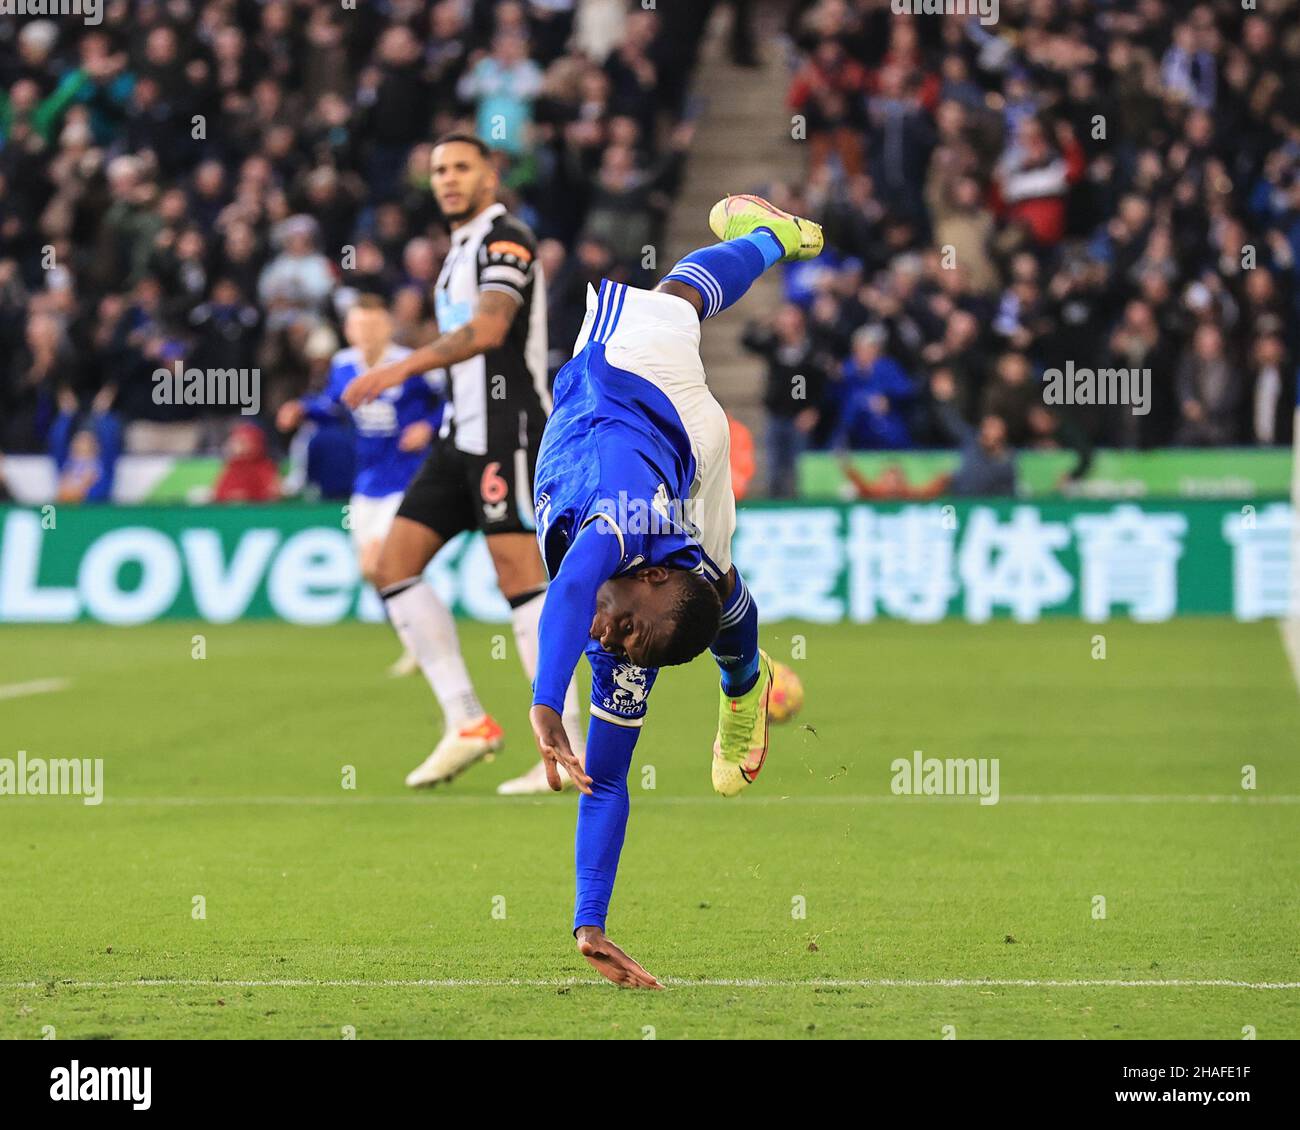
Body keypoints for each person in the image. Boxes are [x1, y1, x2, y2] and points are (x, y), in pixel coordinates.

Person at [524, 194, 823, 988]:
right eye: (626, 633)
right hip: (638, 388)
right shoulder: (615, 531)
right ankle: (772, 233)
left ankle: (740, 687)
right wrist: (546, 702)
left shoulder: (637, 610)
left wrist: (591, 922)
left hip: (674, 445)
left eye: (621, 645)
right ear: (649, 576)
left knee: (720, 587)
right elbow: (574, 589)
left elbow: (607, 769)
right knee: (677, 302)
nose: (610, 641)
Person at [342, 133, 583, 795]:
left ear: (490, 173)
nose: (448, 179)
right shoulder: (455, 254)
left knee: (521, 583)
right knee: (393, 568)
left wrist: (401, 365)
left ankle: (564, 748)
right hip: (457, 435)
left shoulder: (509, 237)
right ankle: (468, 721)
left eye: (461, 168)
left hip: (508, 430)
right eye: (439, 169)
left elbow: (489, 331)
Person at [277, 294, 443, 677]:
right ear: (348, 329)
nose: (364, 333)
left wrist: (428, 427)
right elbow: (335, 406)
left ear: (386, 326)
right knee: (374, 572)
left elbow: (452, 401)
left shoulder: (411, 363)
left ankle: (423, 640)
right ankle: (419, 640)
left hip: (406, 478)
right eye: (356, 326)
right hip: (365, 482)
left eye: (371, 325)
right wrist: (302, 409)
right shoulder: (343, 365)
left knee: (378, 561)